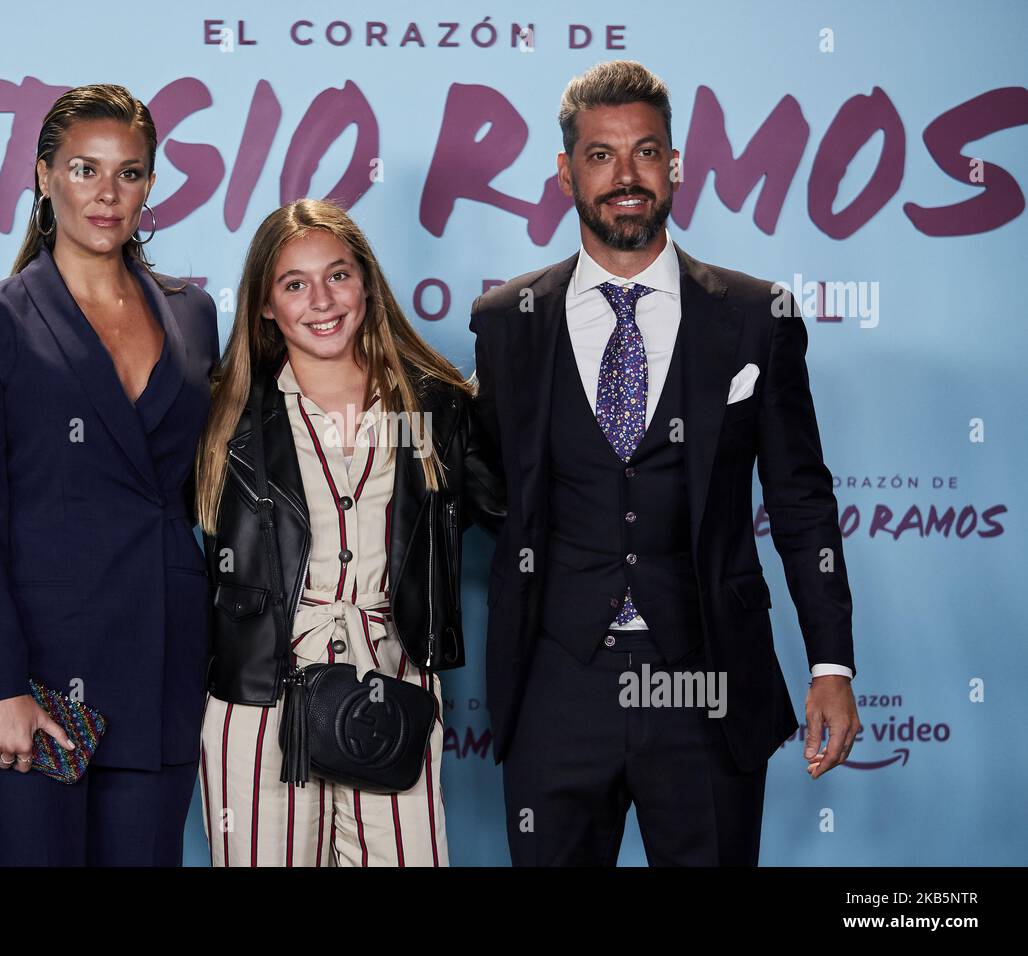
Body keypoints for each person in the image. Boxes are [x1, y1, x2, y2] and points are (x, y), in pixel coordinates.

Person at [469, 60, 862, 866]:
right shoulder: (509, 321)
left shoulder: (757, 318)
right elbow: (488, 490)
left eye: (646, 152)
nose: (626, 176)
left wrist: (831, 662)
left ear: (675, 164)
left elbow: (800, 499)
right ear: (566, 170)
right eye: (601, 155)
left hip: (705, 678)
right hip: (557, 683)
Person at [0, 84, 219, 865]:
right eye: (85, 170)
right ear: (43, 176)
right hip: (39, 679)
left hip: (160, 661)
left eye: (129, 173)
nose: (107, 193)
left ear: (150, 185)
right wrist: (0, 687)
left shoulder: (193, 313)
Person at [191, 198, 502, 866]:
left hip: (391, 679)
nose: (321, 300)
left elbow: (509, 509)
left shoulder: (433, 406)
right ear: (266, 306)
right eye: (294, 284)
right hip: (259, 695)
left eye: (338, 275)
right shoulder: (226, 416)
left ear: (367, 283)